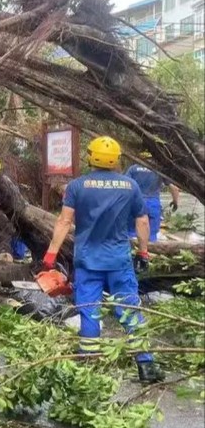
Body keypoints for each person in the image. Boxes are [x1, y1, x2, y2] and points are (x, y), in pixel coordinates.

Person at [42, 136, 164, 385]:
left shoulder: (77, 186)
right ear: (116, 160)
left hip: (87, 262)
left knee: (89, 310)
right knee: (129, 310)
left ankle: (88, 365)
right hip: (119, 262)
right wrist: (143, 252)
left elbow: (64, 221)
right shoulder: (130, 186)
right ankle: (146, 366)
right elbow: (142, 221)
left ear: (91, 157)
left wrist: (51, 254)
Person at [125, 152, 180, 242]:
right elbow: (174, 188)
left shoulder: (133, 168)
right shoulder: (159, 170)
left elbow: (125, 185)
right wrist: (175, 201)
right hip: (153, 205)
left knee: (132, 232)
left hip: (136, 204)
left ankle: (134, 248)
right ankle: (150, 249)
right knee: (152, 235)